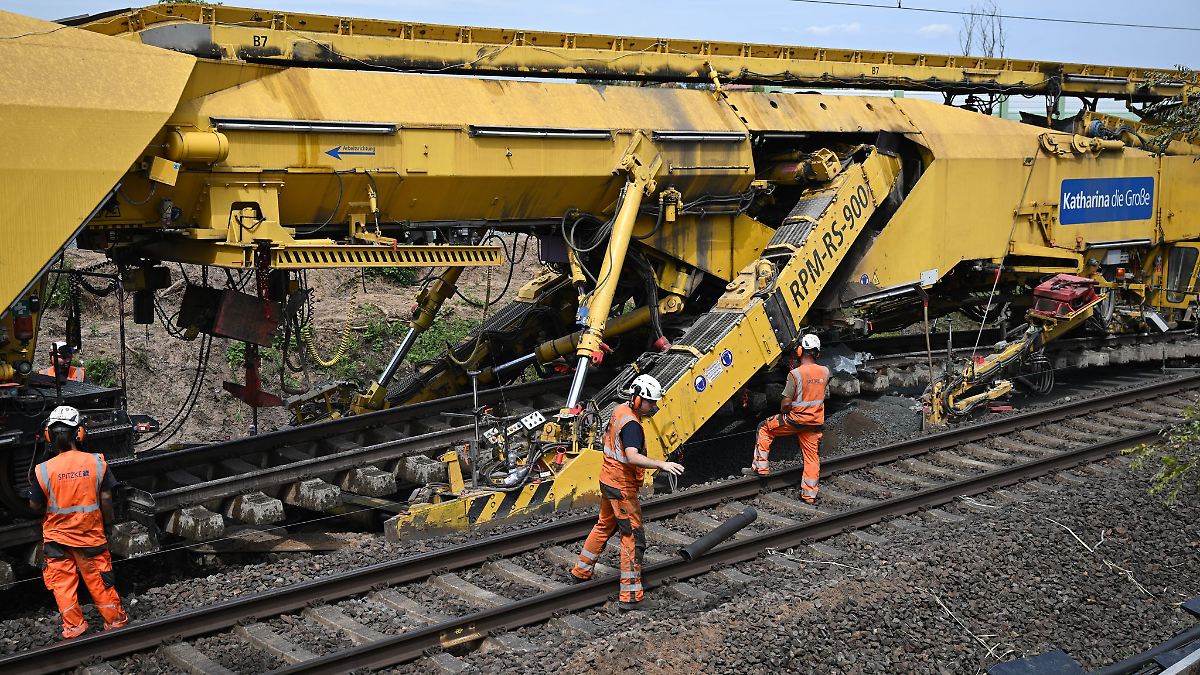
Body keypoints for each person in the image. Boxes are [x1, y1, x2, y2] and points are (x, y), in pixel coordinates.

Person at [570, 374, 684, 609]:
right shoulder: (631, 424)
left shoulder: (620, 410)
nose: (653, 407)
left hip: (608, 479)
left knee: (604, 525)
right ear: (637, 398)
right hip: (621, 486)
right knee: (632, 537)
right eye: (650, 403)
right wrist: (662, 464)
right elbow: (632, 456)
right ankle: (631, 596)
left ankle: (580, 571)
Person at [28, 405, 129, 639]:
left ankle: (74, 628)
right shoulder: (95, 462)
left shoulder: (43, 469)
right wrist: (109, 523)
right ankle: (114, 621)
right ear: (80, 433)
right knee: (99, 581)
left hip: (56, 538)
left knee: (62, 585)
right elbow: (106, 498)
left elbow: (34, 506)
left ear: (49, 436)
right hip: (89, 535)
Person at [744, 334, 829, 503]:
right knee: (812, 458)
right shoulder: (825, 372)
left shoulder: (795, 374)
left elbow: (786, 403)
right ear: (817, 353)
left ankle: (760, 467)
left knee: (764, 427)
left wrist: (785, 410)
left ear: (800, 351)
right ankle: (809, 495)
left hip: (795, 420)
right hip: (814, 423)